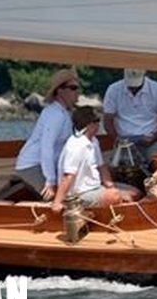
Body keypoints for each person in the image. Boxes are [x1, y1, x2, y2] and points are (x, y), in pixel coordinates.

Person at [51, 105, 135, 214]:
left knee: (133, 193)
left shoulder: (94, 141)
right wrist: (57, 202)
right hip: (79, 193)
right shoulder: (76, 146)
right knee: (115, 196)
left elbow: (101, 167)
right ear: (89, 124)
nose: (98, 124)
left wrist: (110, 186)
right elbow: (68, 176)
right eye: (97, 121)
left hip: (95, 187)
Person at [11, 69, 80, 199]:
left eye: (77, 88)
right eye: (73, 88)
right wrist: (50, 180)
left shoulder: (64, 113)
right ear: (60, 91)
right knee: (55, 199)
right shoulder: (55, 115)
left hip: (45, 165)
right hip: (31, 166)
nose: (77, 92)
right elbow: (46, 147)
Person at [102, 68, 157, 169]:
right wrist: (117, 139)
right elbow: (108, 121)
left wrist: (154, 137)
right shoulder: (113, 90)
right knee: (115, 167)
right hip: (123, 140)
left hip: (152, 140)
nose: (133, 89)